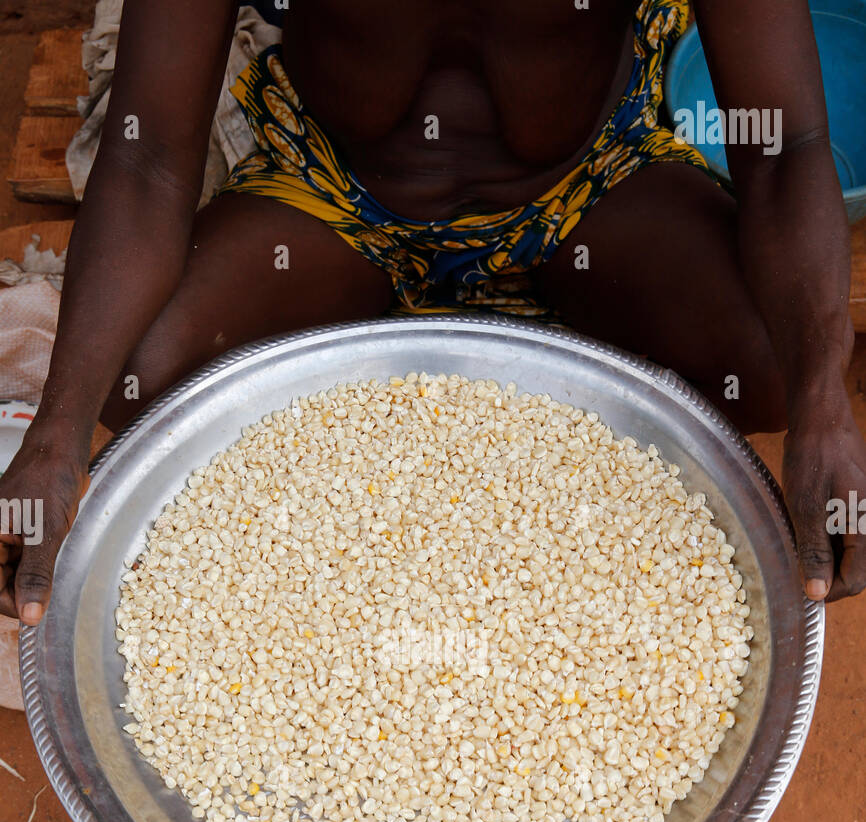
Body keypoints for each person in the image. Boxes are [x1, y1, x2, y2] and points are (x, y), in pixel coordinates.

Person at [2, 0, 864, 624]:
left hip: (584, 186)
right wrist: (55, 432)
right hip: (338, 190)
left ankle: (467, 328)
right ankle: (427, 316)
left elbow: (786, 144)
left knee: (771, 365)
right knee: (133, 372)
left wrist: (827, 404)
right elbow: (149, 153)